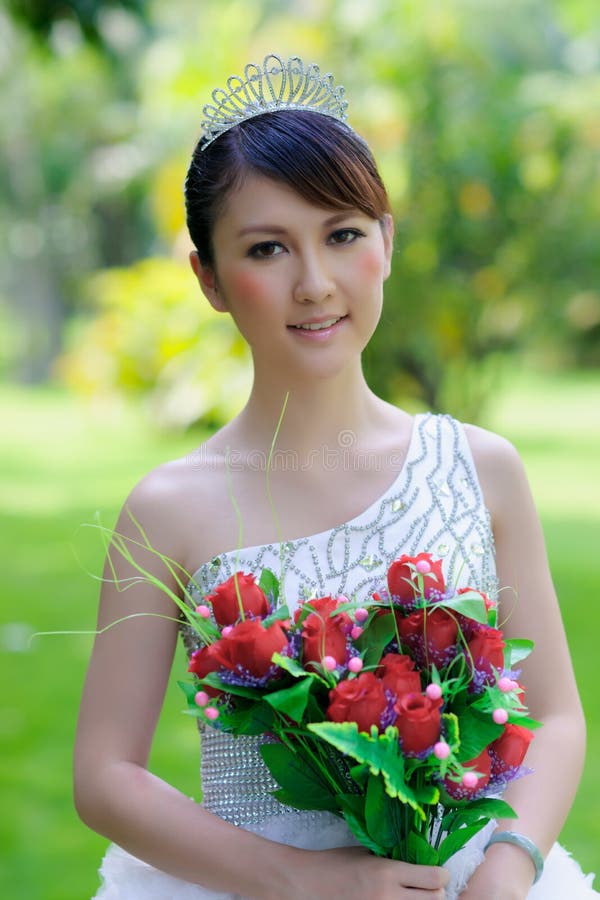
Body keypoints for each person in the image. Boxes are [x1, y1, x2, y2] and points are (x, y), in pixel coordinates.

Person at [74, 54, 597, 899]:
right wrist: (303, 880)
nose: (314, 284)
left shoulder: (481, 471)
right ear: (209, 278)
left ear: (386, 241)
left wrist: (509, 867)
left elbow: (560, 717)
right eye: (267, 248)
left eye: (343, 235)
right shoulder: (168, 510)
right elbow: (105, 777)